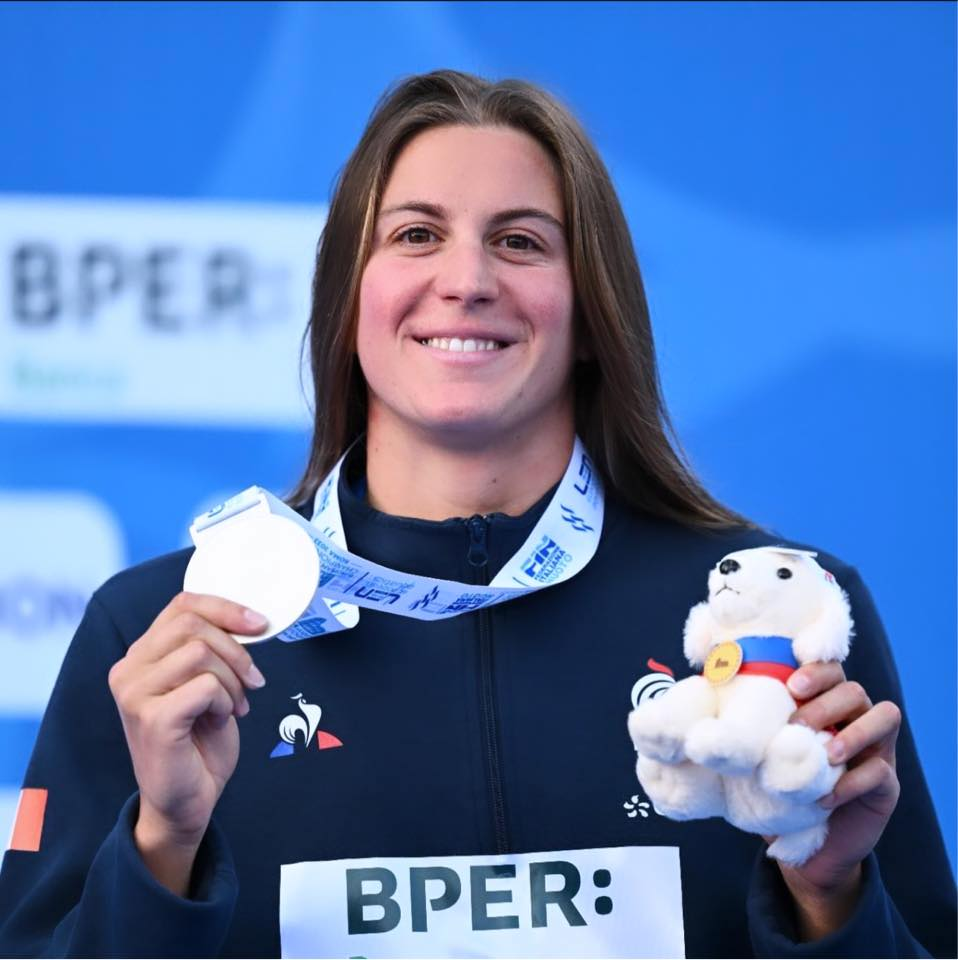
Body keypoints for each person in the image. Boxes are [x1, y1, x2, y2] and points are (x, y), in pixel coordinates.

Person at [0, 70, 954, 959]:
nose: (468, 280)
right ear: (348, 301)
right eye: (415, 234)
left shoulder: (775, 618)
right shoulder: (164, 632)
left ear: (592, 311)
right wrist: (163, 843)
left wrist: (831, 895)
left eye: (522, 240)